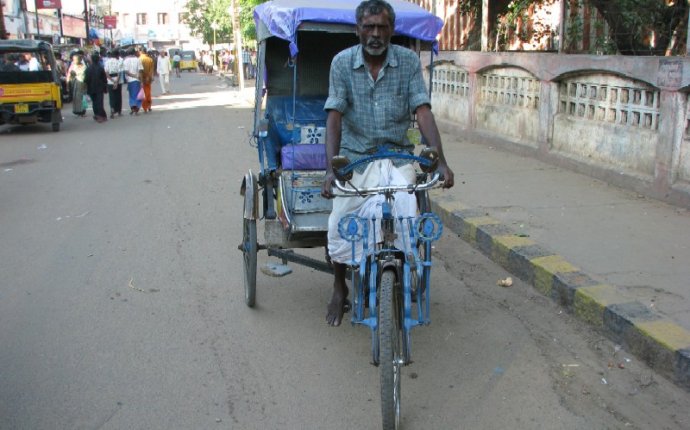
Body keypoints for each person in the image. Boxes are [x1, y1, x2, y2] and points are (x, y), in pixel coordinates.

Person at [320, 0, 454, 326]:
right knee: (340, 222)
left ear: (392, 30)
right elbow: (334, 117)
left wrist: (441, 161)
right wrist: (330, 171)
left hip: (398, 156)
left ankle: (402, 271)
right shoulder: (341, 63)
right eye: (369, 27)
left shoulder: (407, 62)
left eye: (382, 27)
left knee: (408, 217)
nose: (375, 34)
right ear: (358, 30)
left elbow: (422, 111)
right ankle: (340, 286)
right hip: (357, 159)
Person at [85, 52, 108, 123]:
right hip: (100, 88)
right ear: (98, 59)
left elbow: (86, 79)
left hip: (91, 88)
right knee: (99, 102)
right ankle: (101, 116)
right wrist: (105, 87)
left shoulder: (88, 69)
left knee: (94, 102)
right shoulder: (101, 68)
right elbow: (104, 79)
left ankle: (97, 115)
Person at [66, 52, 87, 117]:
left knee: (82, 97)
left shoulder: (84, 66)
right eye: (73, 59)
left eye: (75, 59)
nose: (74, 61)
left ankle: (82, 111)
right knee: (76, 97)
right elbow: (69, 75)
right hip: (75, 83)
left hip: (82, 83)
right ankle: (77, 111)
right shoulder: (73, 65)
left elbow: (86, 75)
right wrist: (67, 84)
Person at [122, 49, 143, 115]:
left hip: (129, 80)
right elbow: (140, 70)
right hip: (137, 80)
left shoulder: (126, 60)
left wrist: (132, 76)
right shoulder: (138, 59)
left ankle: (133, 107)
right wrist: (138, 77)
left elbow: (126, 71)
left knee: (131, 94)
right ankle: (136, 107)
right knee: (137, 94)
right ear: (134, 53)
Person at [104, 50, 123, 118]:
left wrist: (112, 81)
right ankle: (119, 111)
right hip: (118, 81)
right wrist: (116, 82)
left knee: (111, 97)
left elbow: (106, 73)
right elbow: (119, 73)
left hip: (110, 81)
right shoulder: (118, 62)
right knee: (118, 96)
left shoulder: (107, 62)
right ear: (117, 55)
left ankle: (112, 109)